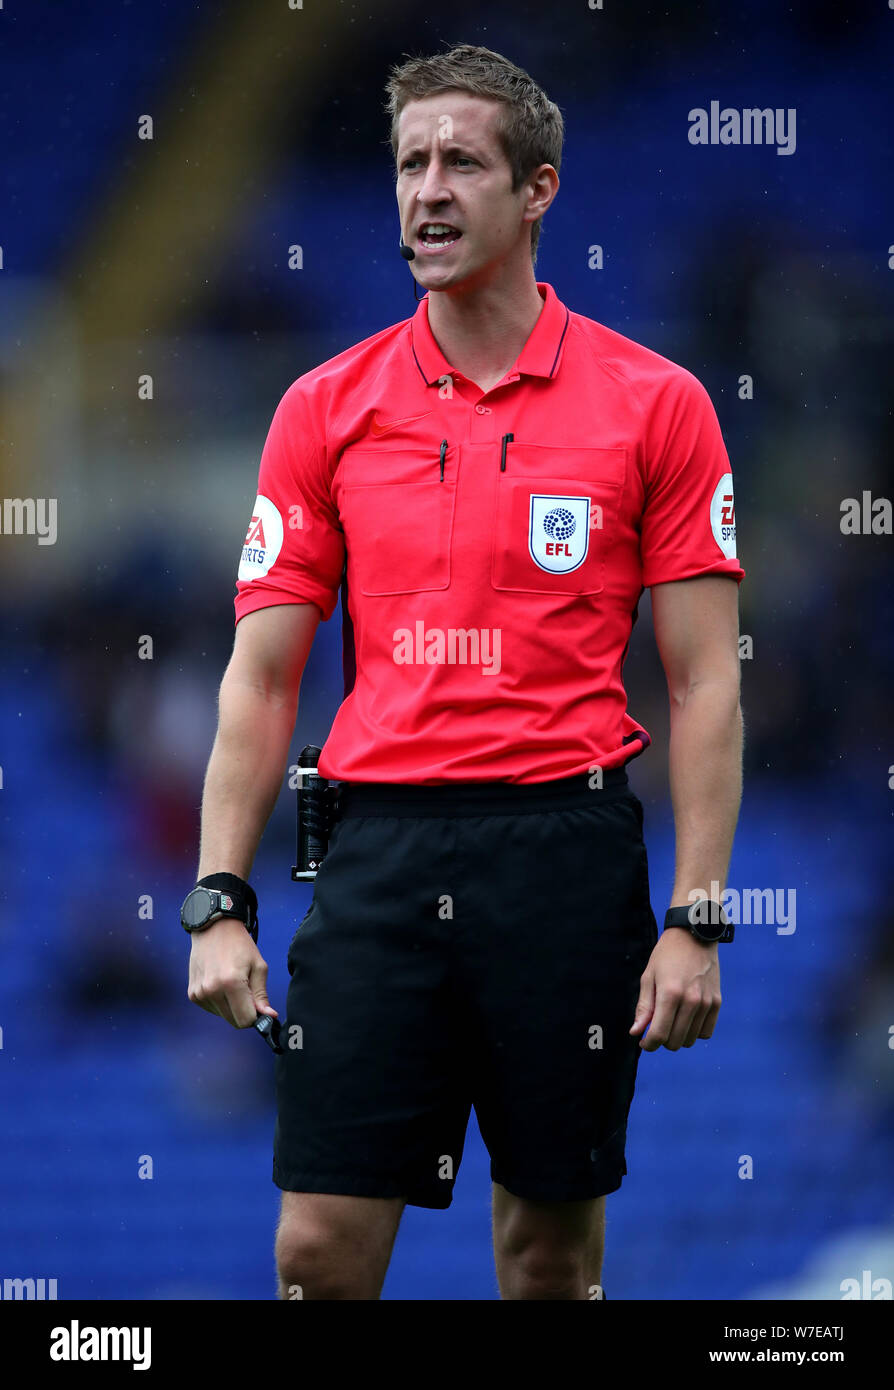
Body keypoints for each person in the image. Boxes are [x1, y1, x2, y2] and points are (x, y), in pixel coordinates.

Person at [183, 43, 745, 1301]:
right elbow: (262, 678)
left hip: (567, 857)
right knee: (315, 1249)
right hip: (379, 857)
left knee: (547, 1252)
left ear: (538, 189)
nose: (427, 191)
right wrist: (219, 892)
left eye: (462, 162)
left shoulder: (658, 405)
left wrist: (697, 915)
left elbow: (708, 682)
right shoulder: (324, 408)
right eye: (408, 163)